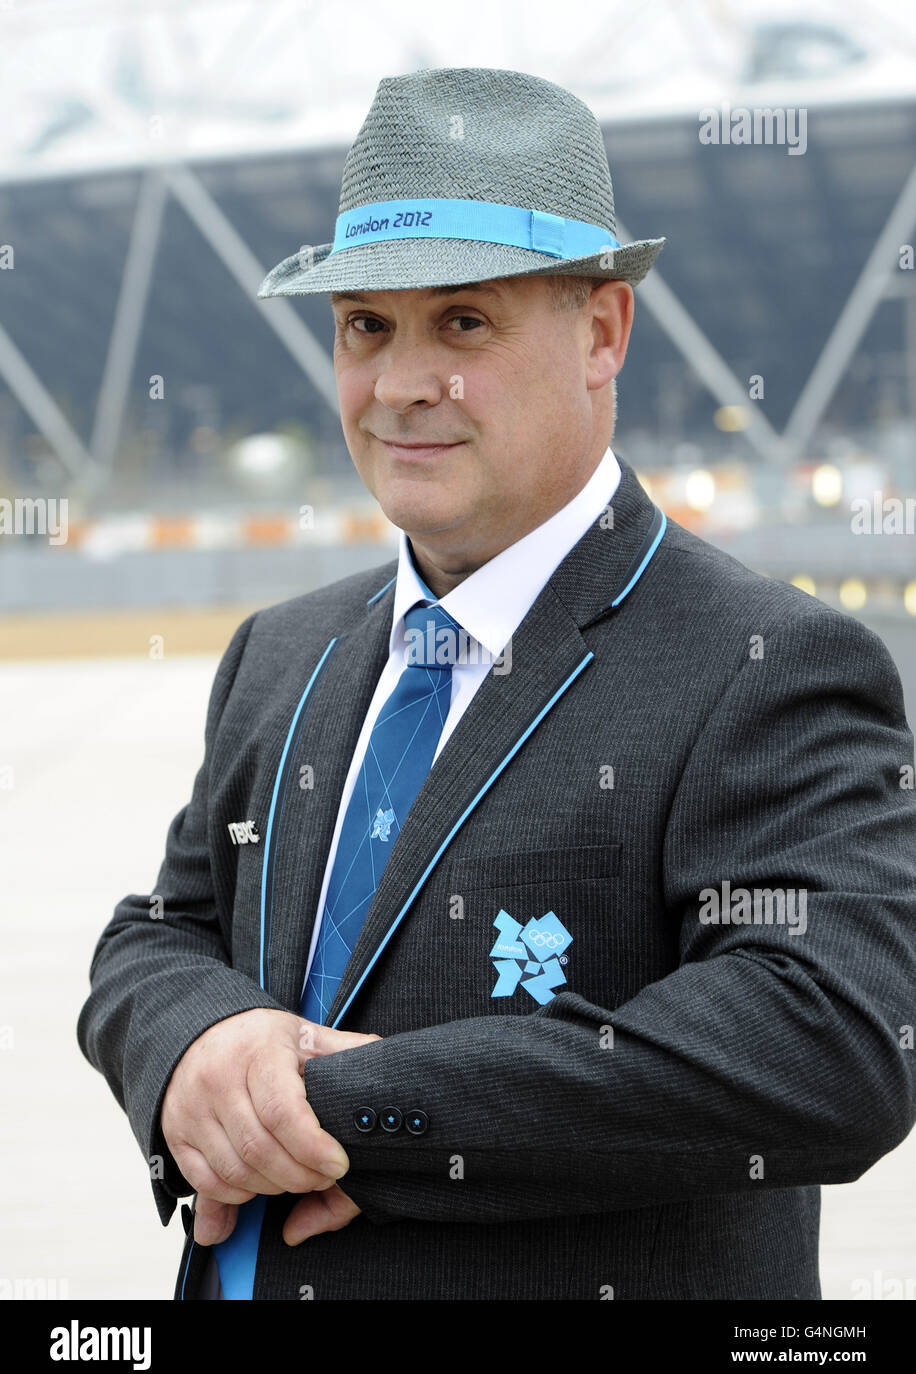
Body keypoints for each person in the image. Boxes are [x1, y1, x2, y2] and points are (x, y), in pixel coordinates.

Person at [77, 66, 916, 1301]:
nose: (402, 382)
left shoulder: (763, 661)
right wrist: (193, 1047)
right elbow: (162, 934)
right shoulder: (282, 651)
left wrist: (348, 1109)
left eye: (463, 322)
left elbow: (824, 1042)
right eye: (367, 325)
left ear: (603, 332)